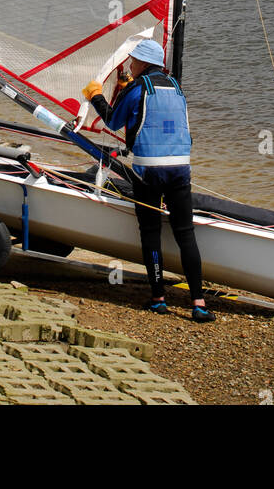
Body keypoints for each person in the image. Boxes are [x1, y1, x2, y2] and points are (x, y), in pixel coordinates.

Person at [83, 39, 213, 322]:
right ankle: (199, 303)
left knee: (151, 233)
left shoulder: (138, 89)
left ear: (142, 63)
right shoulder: (176, 88)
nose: (129, 63)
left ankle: (158, 298)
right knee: (184, 234)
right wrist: (125, 87)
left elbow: (113, 120)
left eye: (133, 60)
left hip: (150, 172)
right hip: (180, 169)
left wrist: (95, 96)